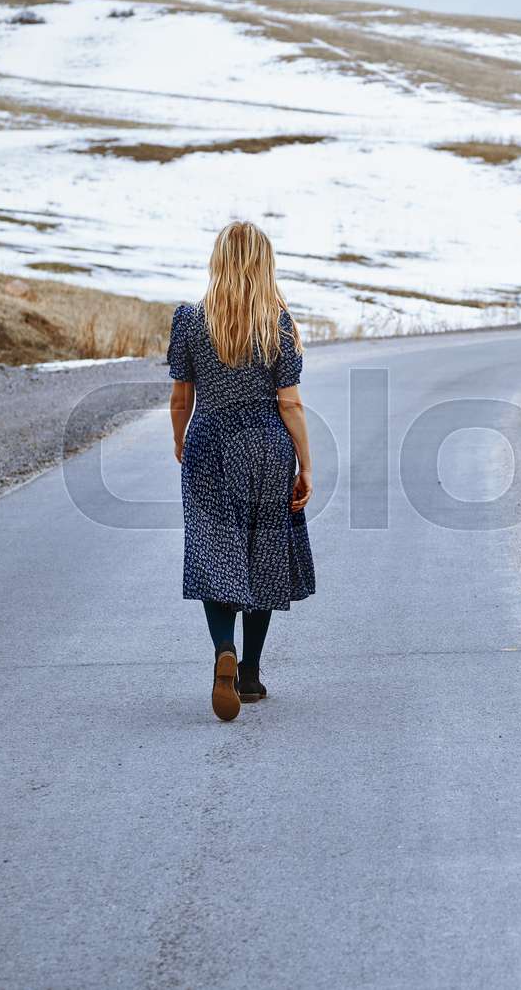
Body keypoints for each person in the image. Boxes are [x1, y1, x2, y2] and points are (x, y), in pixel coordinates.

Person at [168, 221, 316, 721]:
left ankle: (222, 651)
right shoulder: (278, 323)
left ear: (219, 262)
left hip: (210, 442)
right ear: (263, 264)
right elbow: (290, 404)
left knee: (216, 551)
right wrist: (307, 467)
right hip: (268, 448)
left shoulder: (189, 320)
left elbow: (180, 395)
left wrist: (179, 439)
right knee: (264, 552)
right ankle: (250, 674)